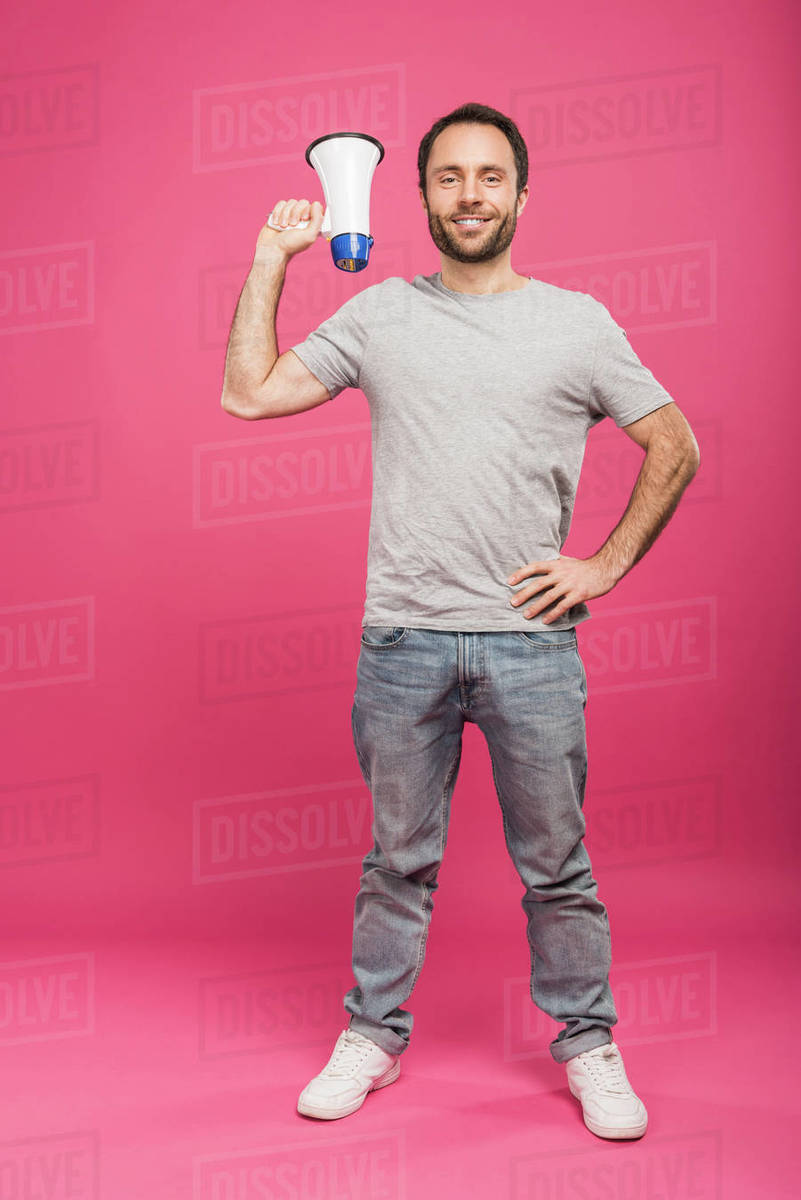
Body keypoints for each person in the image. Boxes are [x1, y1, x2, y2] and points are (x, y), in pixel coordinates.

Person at [220, 102, 700, 1141]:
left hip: (532, 646)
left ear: (521, 196)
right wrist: (270, 259)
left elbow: (676, 445)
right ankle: (373, 1035)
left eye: (489, 176)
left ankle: (588, 1043)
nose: (469, 194)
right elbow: (247, 395)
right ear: (422, 196)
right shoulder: (380, 315)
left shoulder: (577, 323)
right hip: (403, 642)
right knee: (397, 861)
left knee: (557, 867)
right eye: (448, 177)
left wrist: (603, 565)